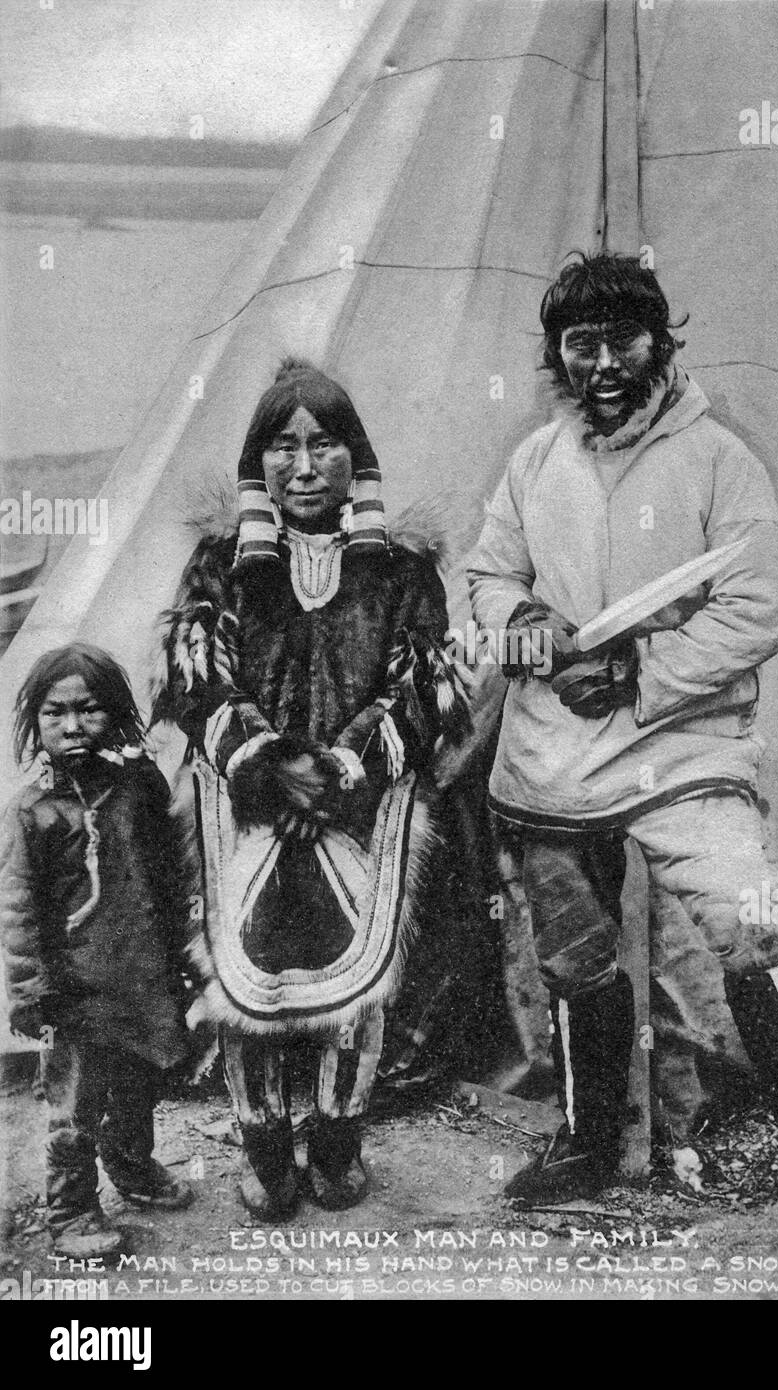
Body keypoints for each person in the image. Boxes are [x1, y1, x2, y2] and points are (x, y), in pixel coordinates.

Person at [466, 251, 778, 1243]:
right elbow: (487, 574)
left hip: (682, 742)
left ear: (659, 341)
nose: (602, 363)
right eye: (579, 345)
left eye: (621, 339)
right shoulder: (536, 461)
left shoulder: (717, 458)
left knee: (753, 926)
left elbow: (757, 608)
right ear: (558, 357)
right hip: (554, 747)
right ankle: (588, 1138)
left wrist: (640, 673)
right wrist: (527, 619)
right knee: (577, 952)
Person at [152, 358, 470, 1220]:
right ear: (259, 464)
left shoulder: (401, 572)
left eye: (323, 444)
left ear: (354, 459)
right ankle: (265, 1153)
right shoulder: (221, 562)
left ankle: (335, 1144)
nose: (302, 466)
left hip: (360, 802)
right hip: (247, 803)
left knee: (353, 985)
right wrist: (268, 766)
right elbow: (194, 682)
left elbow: (426, 689)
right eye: (282, 448)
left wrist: (339, 772)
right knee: (250, 983)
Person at [0, 643, 194, 1260]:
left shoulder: (137, 785)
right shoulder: (31, 811)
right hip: (76, 991)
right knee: (75, 1108)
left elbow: (168, 874)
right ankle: (72, 1210)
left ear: (115, 714)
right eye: (56, 714)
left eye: (89, 711)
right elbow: (19, 912)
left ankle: (133, 1168)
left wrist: (184, 956)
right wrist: (31, 990)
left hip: (141, 975)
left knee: (140, 1084)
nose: (73, 727)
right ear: (36, 720)